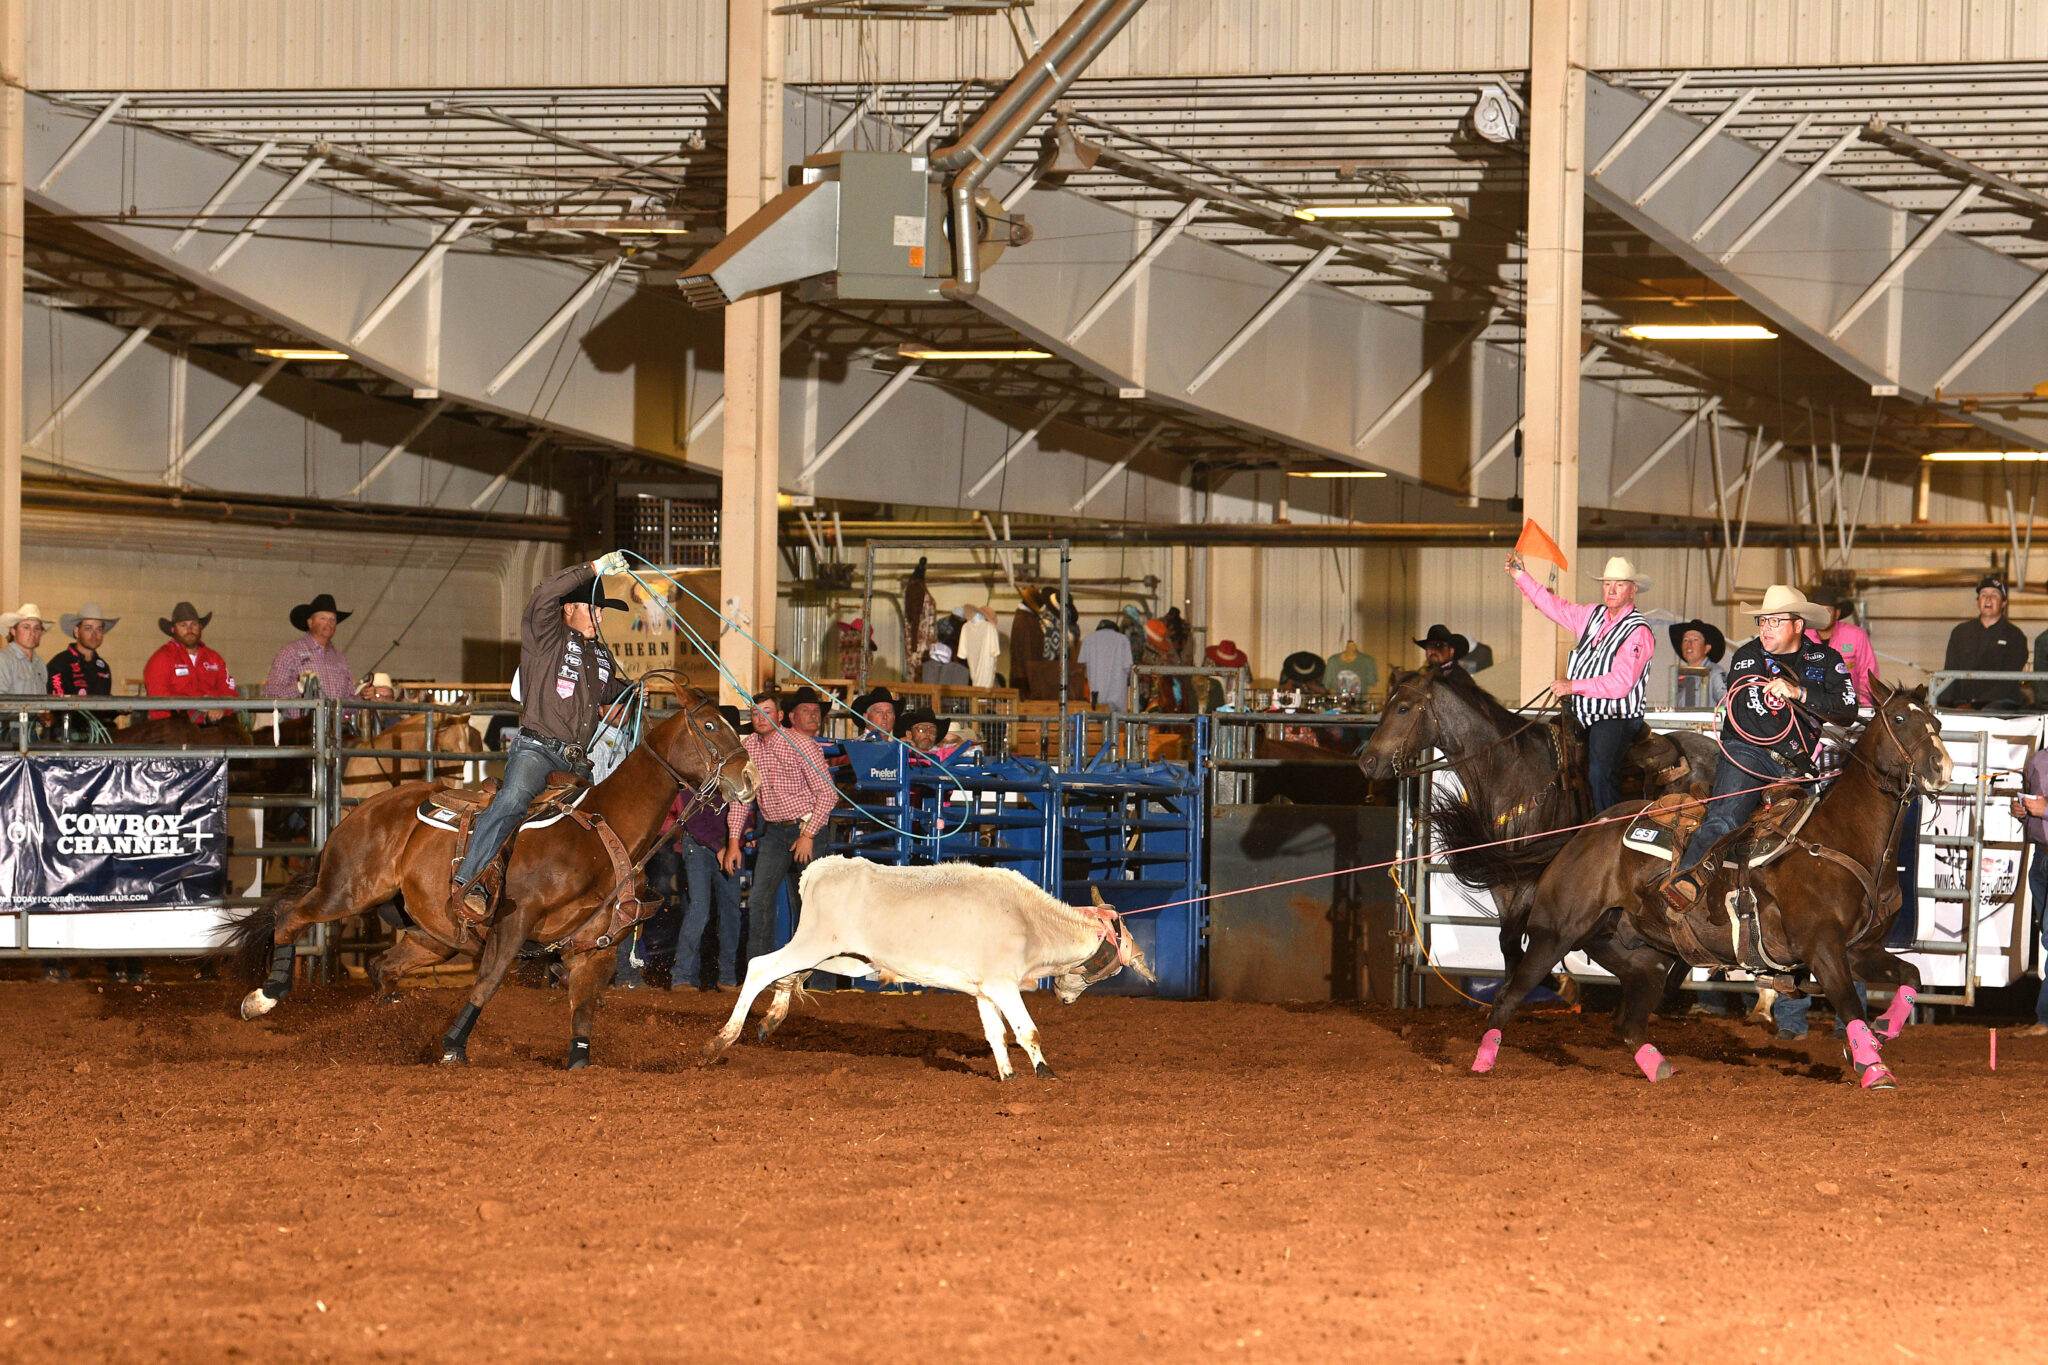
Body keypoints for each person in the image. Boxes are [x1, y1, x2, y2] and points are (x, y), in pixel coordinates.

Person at [447, 555, 632, 924]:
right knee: (513, 799)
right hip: (537, 749)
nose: (601, 617)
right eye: (595, 609)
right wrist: (593, 567)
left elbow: (613, 689)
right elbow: (545, 591)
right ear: (571, 609)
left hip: (578, 760)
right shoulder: (545, 634)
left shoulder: (599, 653)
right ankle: (471, 881)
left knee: (601, 820)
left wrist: (635, 689)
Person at [1662, 586, 1859, 912]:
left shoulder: (1826, 659)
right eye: (1762, 621)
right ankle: (1689, 879)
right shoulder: (1749, 656)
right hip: (1749, 753)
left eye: (1775, 621)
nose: (1764, 628)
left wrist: (1800, 693)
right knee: (1725, 818)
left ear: (1798, 625)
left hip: (1801, 765)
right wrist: (1797, 742)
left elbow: (1848, 709)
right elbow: (1751, 715)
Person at [1505, 553, 1657, 814]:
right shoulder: (1591, 616)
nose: (1611, 590)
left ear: (1632, 591)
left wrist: (1573, 686)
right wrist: (1520, 576)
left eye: (1619, 584)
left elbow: (1621, 684)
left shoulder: (1637, 631)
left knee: (1599, 770)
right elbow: (1552, 605)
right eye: (1607, 583)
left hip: (1615, 715)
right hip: (1581, 712)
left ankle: (1610, 827)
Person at [722, 694, 838, 972]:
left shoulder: (801, 745)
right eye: (756, 713)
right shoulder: (747, 747)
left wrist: (808, 835)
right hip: (775, 831)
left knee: (812, 905)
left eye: (767, 712)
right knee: (760, 898)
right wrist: (733, 841)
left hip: (808, 826)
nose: (761, 718)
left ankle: (820, 980)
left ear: (780, 716)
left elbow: (827, 793)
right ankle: (758, 973)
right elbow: (742, 797)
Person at [1939, 575, 2029, 710]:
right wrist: (1946, 704)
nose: (1988, 599)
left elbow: (2008, 682)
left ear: (2004, 603)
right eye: (1983, 595)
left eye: (1994, 595)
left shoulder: (2015, 636)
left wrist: (1975, 705)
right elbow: (1950, 670)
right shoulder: (1960, 632)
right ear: (1978, 601)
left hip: (2000, 702)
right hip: (1961, 702)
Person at [142, 602, 236, 722]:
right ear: (173, 629)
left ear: (200, 627)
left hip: (214, 725)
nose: (189, 629)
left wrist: (222, 709)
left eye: (194, 624)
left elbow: (228, 691)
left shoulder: (214, 658)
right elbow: (158, 702)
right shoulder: (161, 659)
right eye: (183, 625)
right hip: (176, 727)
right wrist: (196, 714)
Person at [262, 592, 356, 710]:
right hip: (298, 727)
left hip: (334, 727)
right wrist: (299, 688)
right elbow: (270, 694)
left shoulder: (341, 658)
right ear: (310, 623)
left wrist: (365, 695)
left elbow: (349, 700)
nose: (329, 623)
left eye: (333, 619)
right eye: (323, 618)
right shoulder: (291, 652)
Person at [2014, 754, 2048, 1038]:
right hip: (2041, 856)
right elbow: (2030, 800)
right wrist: (2022, 811)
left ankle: (2045, 1018)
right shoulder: (2038, 759)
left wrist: (2045, 810)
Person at [1807, 592, 1876, 705]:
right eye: (1819, 612)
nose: (1823, 616)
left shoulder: (1856, 635)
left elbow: (1868, 673)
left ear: (1837, 613)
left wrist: (1866, 707)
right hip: (1810, 706)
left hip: (1848, 706)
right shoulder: (1802, 636)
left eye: (1827, 611)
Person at [0, 603, 57, 735]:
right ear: (13, 631)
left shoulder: (40, 664)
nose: (32, 633)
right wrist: (36, 713)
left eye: (37, 628)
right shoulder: (3, 659)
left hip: (33, 733)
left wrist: (46, 714)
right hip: (8, 733)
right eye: (26, 627)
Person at [1668, 619, 1727, 709]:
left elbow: (1728, 704)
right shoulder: (1681, 676)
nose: (1689, 644)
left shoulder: (1715, 673)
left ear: (1706, 648)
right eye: (1685, 640)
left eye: (1695, 640)